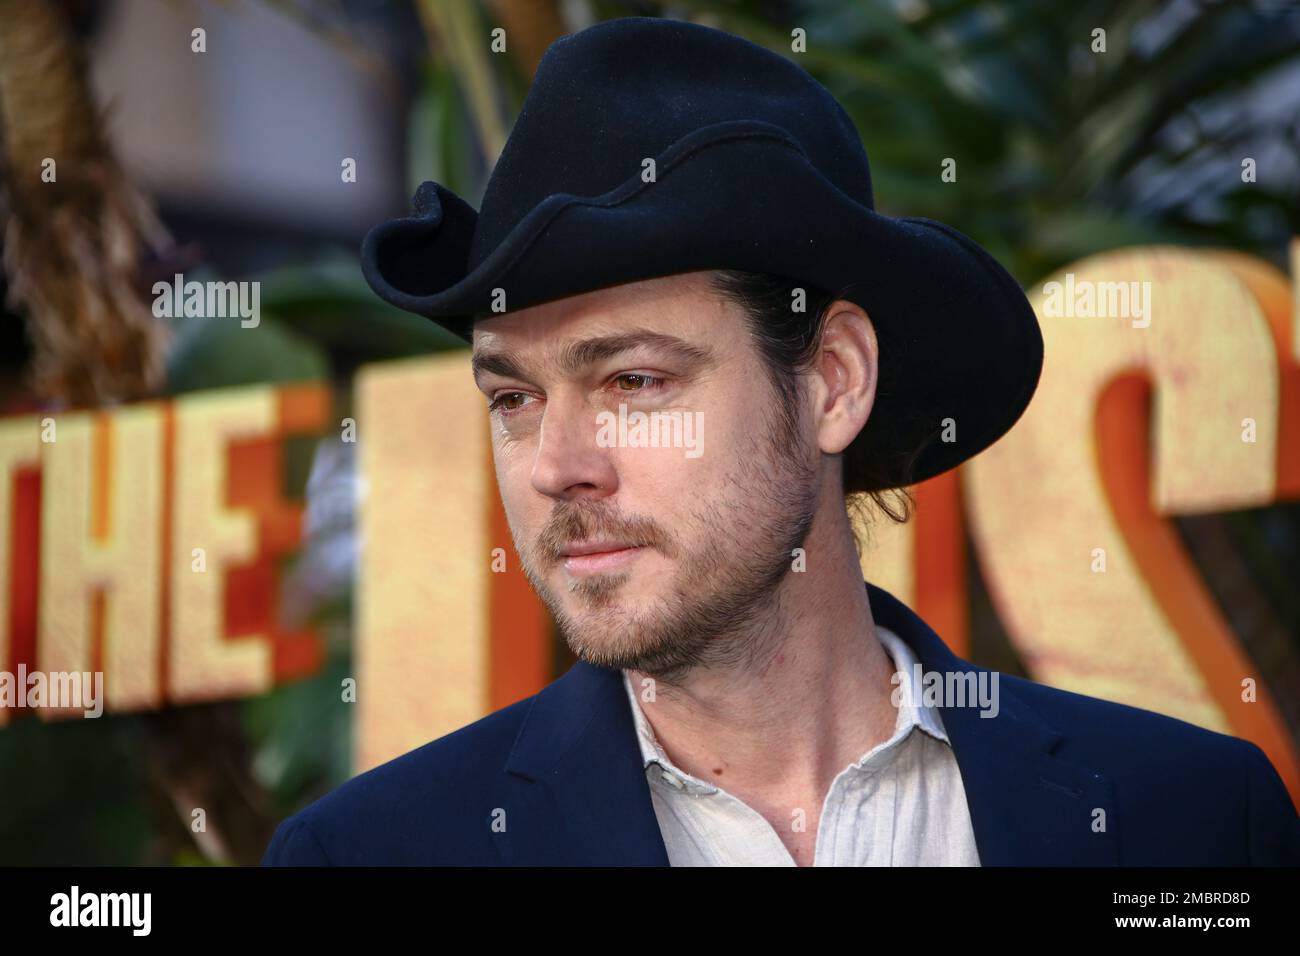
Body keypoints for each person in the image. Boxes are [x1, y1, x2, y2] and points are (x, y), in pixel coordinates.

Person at [262, 16, 1300, 866]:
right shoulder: (373, 854)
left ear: (833, 381)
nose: (553, 462)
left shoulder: (1193, 821)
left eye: (632, 379)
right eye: (514, 397)